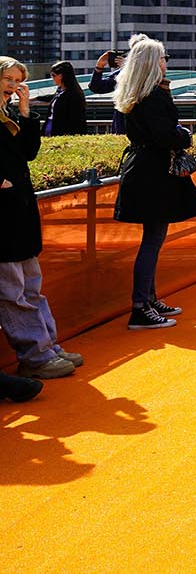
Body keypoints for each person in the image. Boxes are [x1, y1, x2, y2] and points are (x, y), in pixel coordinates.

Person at [113, 38, 196, 330]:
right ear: (153, 63)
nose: (167, 62)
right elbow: (165, 135)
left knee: (153, 239)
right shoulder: (153, 95)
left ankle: (149, 299)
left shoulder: (137, 94)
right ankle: (141, 307)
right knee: (153, 240)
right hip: (153, 173)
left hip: (144, 170)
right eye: (164, 57)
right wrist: (184, 136)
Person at [0, 56, 81, 380]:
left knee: (31, 284)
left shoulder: (8, 113)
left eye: (18, 79)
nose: (14, 85)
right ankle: (36, 354)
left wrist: (23, 110)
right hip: (4, 213)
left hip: (18, 207)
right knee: (13, 289)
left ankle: (46, 346)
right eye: (8, 79)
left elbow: (30, 152)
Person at [89, 35, 147, 135]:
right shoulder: (123, 72)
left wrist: (131, 68)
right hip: (123, 121)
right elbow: (97, 87)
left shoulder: (155, 71)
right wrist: (99, 67)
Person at [44, 61, 88, 136]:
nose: (52, 78)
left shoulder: (73, 95)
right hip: (51, 128)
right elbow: (51, 97)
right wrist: (32, 99)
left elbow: (75, 120)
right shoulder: (60, 91)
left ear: (61, 76)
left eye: (53, 75)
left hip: (60, 131)